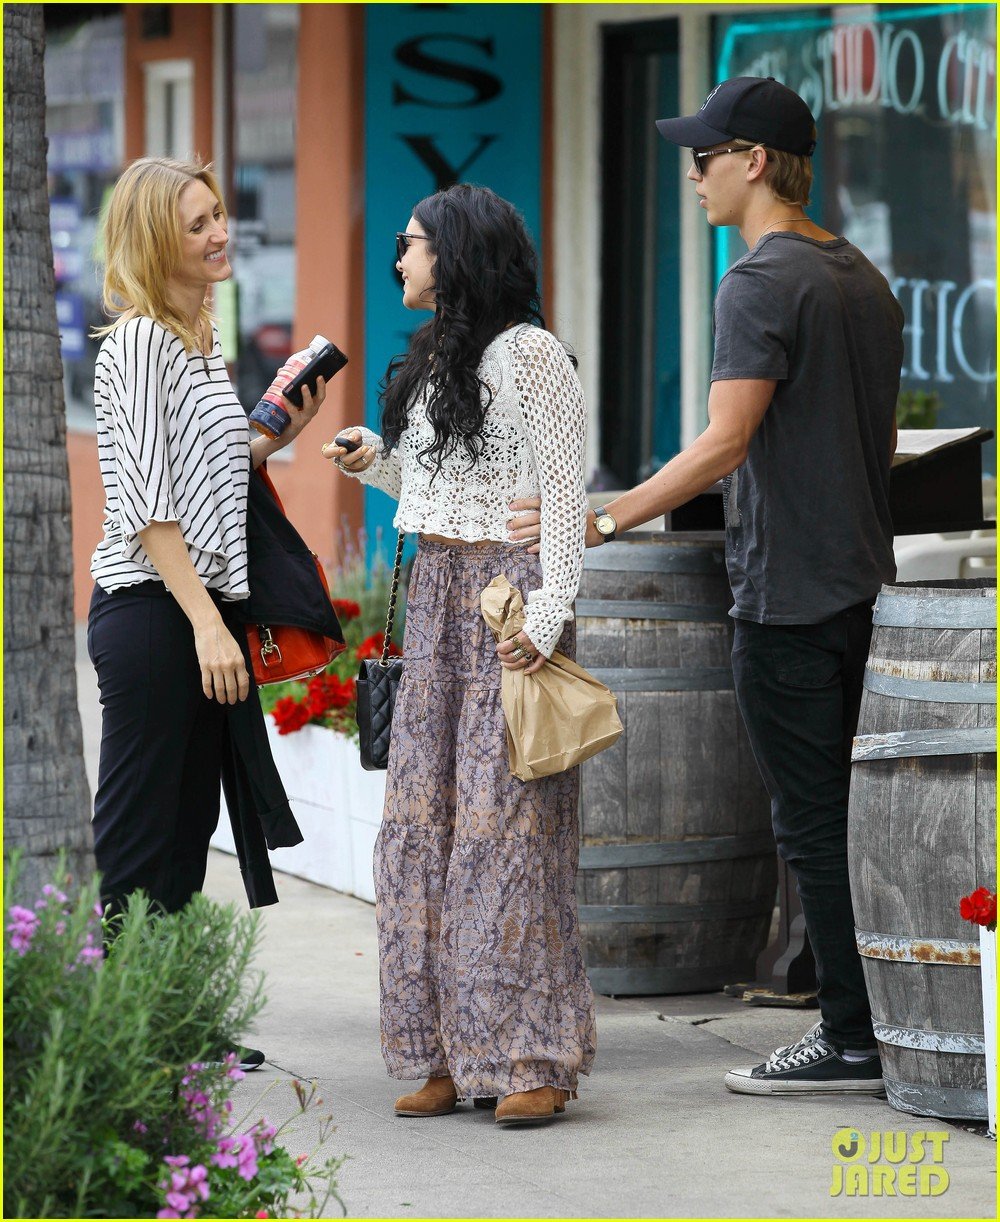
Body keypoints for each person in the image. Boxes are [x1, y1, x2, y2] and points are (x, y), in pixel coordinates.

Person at [512, 77, 904, 1095]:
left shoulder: (758, 282)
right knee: (854, 822)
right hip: (866, 589)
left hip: (789, 600)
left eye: (704, 157)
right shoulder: (861, 276)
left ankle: (851, 1039)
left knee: (810, 825)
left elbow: (725, 442)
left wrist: (598, 517)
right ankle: (884, 1024)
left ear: (755, 163)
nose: (692, 176)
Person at [326, 184, 596, 1126]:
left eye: (411, 243)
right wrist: (378, 462)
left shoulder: (531, 355)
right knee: (426, 828)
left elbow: (562, 495)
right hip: (436, 602)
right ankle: (442, 1049)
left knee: (506, 832)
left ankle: (527, 1057)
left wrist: (548, 616)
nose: (399, 259)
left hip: (505, 603)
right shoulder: (439, 355)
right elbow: (444, 486)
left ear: (457, 252)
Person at [88, 157, 325, 1040]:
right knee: (142, 833)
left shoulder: (196, 341)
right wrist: (205, 627)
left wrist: (274, 434)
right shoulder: (140, 343)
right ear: (156, 242)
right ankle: (118, 1032)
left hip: (195, 609)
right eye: (197, 225)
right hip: (158, 610)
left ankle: (170, 1030)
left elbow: (203, 474)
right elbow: (148, 505)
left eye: (219, 214)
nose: (220, 233)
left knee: (188, 829)